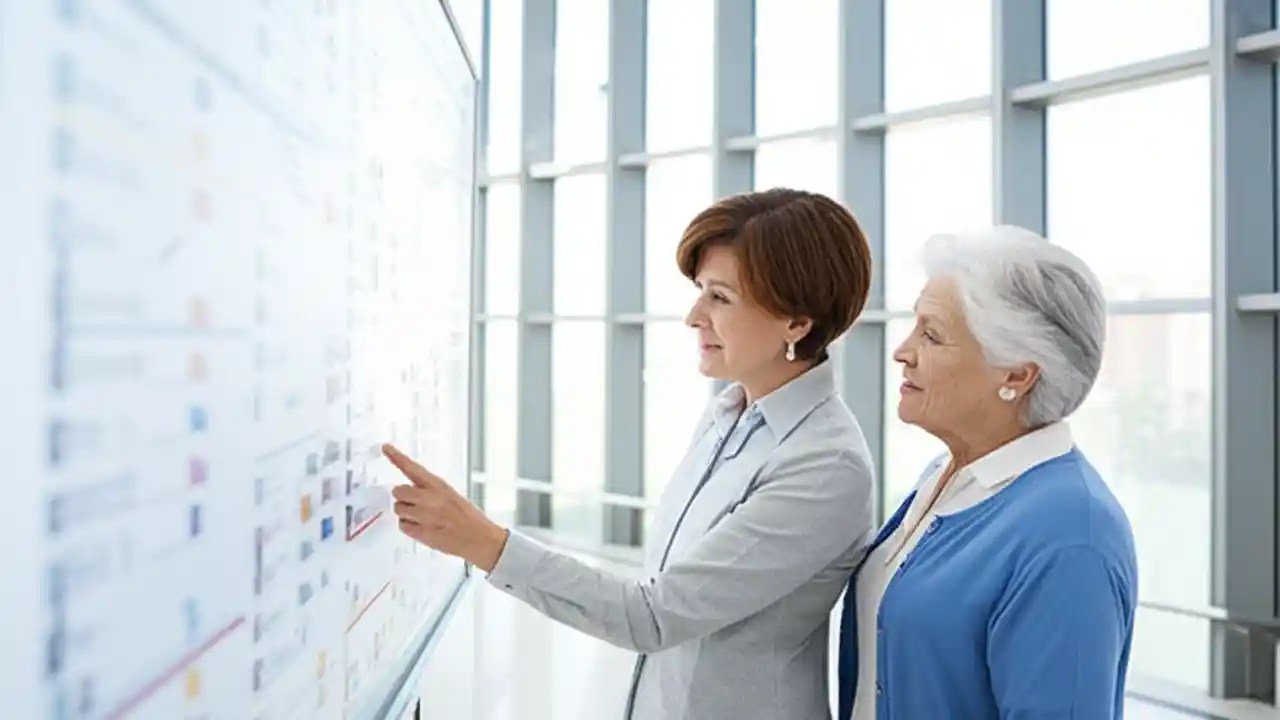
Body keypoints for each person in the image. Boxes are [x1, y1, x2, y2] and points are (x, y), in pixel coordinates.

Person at [384, 188, 877, 719]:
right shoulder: (730, 414)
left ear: (797, 324)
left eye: (720, 298)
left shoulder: (825, 464)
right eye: (699, 291)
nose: (694, 316)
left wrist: (486, 543)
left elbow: (653, 616)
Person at [836, 225, 1138, 720]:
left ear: (1016, 375)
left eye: (931, 335)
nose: (902, 351)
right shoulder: (947, 474)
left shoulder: (1071, 535)